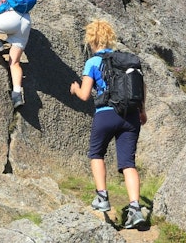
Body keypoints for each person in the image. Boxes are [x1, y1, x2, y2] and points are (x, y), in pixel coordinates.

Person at [69, 19, 149, 230]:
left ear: (91, 40)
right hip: (131, 116)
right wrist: (142, 110)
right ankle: (135, 209)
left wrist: (75, 88)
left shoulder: (93, 62)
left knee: (96, 153)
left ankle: (102, 197)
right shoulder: (127, 61)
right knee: (128, 163)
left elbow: (85, 95)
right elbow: (142, 87)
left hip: (106, 114)